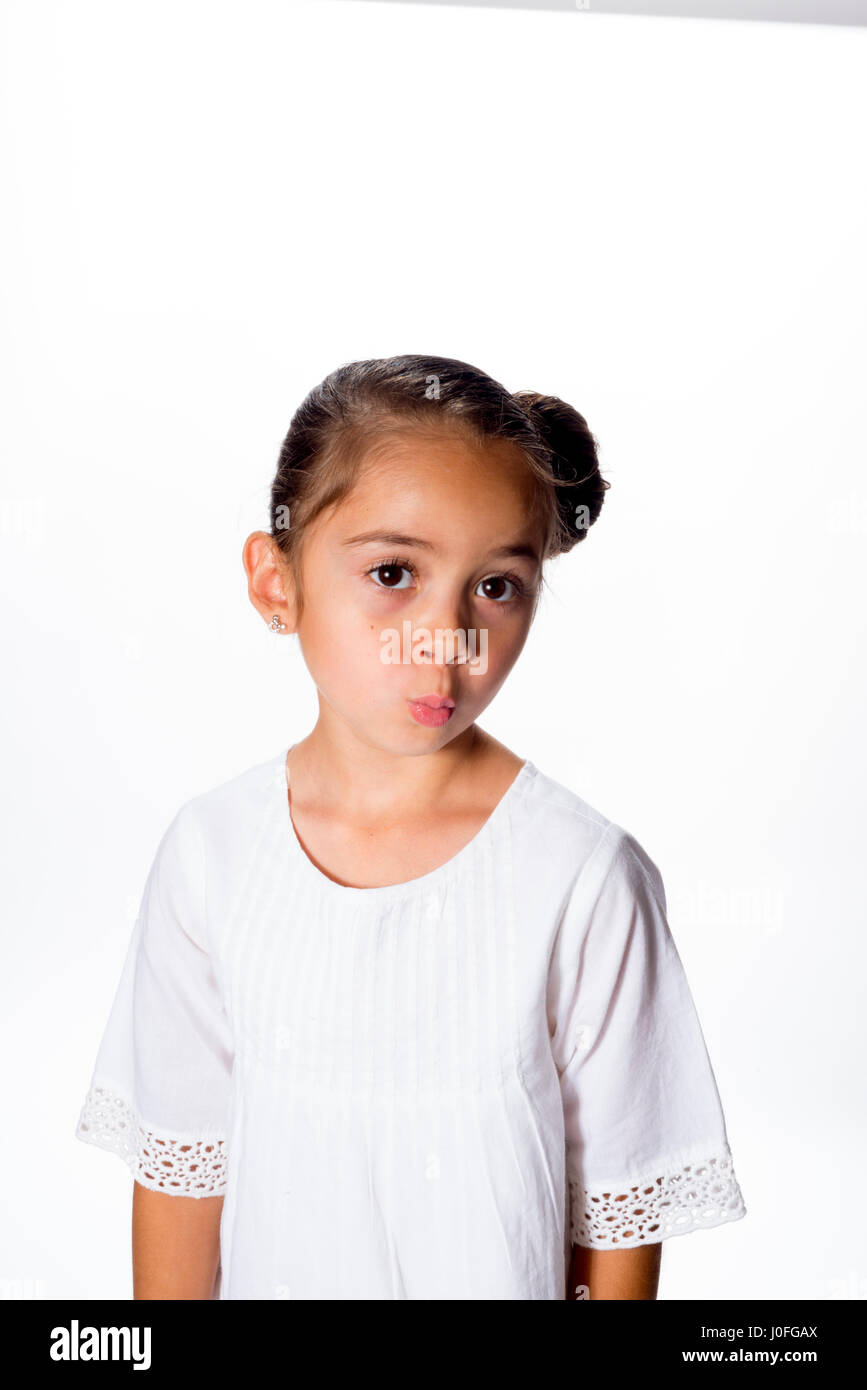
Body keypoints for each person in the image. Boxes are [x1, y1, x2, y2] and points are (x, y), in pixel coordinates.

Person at [74, 354, 746, 1300]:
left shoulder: (582, 877)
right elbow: (185, 1175)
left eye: (496, 586)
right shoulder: (211, 858)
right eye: (393, 572)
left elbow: (619, 1211)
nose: (445, 638)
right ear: (277, 581)